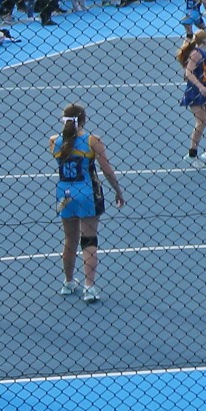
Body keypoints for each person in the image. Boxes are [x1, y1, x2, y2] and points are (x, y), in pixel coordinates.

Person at [50, 103, 124, 302]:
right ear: (83, 120)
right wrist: (118, 190)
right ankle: (89, 286)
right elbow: (106, 169)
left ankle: (68, 281)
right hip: (88, 192)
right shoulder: (92, 141)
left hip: (64, 193)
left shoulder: (54, 141)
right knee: (89, 239)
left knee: (69, 239)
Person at [178, 29, 206, 166]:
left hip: (204, 91)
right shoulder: (196, 53)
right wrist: (200, 87)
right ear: (204, 40)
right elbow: (188, 72)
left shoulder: (203, 53)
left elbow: (202, 74)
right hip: (195, 92)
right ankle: (192, 154)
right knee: (201, 122)